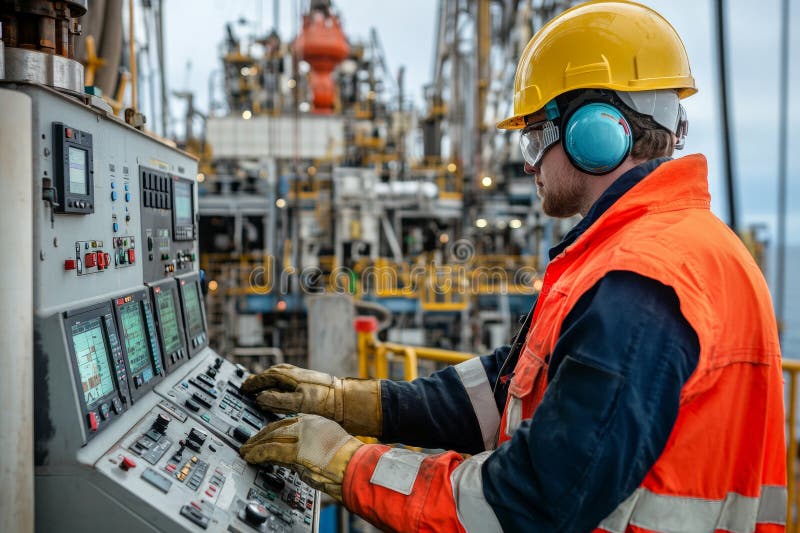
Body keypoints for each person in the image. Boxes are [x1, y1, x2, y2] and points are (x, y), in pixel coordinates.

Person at [238, 1, 787, 531]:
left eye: (534, 138)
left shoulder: (645, 281)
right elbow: (514, 387)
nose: (528, 164)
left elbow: (526, 503)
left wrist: (349, 465)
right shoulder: (654, 249)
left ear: (593, 132)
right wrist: (357, 403)